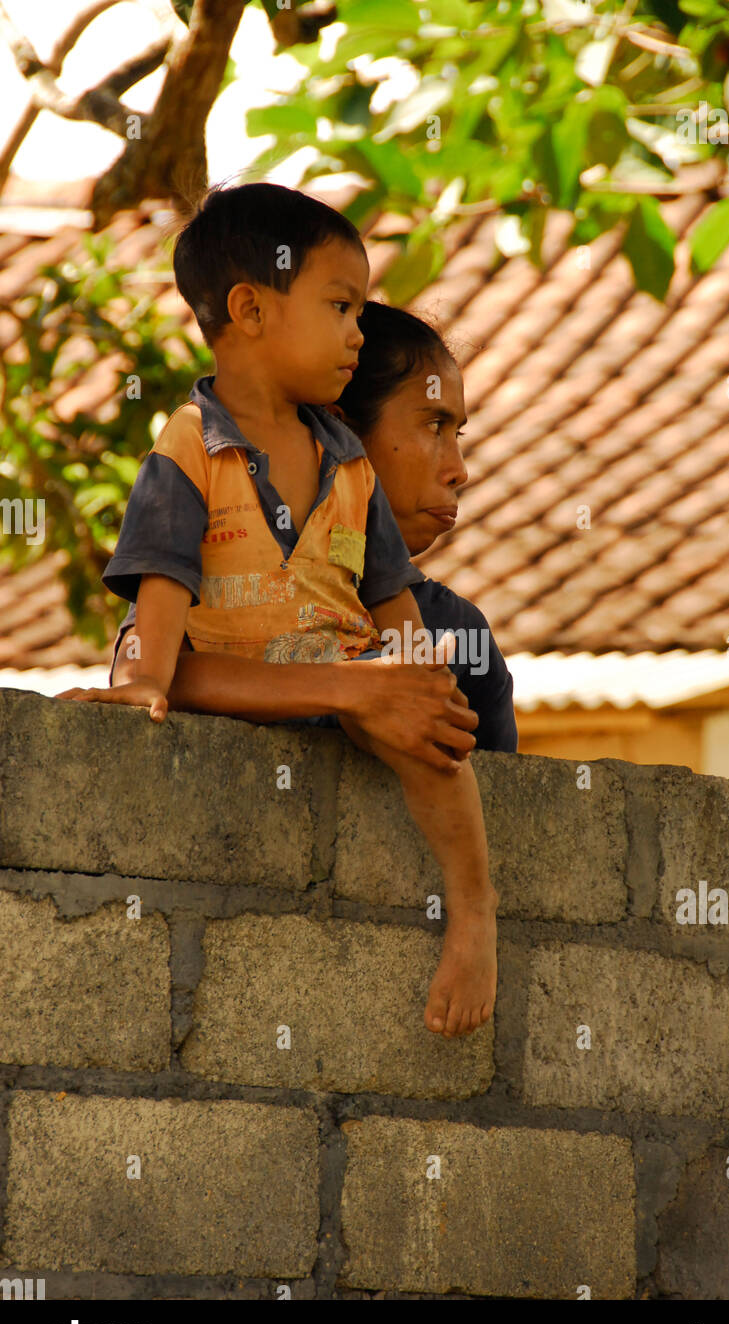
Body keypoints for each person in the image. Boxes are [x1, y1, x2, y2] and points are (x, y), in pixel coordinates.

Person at [57, 181, 496, 1041]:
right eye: (341, 306)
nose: (357, 335)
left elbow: (391, 600)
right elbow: (161, 599)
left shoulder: (350, 464)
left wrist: (416, 684)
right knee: (232, 679)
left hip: (338, 667)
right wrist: (144, 680)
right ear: (251, 310)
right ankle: (360, 697)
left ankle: (475, 914)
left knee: (426, 726)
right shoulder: (190, 444)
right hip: (216, 665)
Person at [109, 300, 518, 752]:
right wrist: (351, 687)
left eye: (455, 433)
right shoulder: (199, 581)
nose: (459, 470)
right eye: (434, 424)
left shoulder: (457, 634)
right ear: (338, 436)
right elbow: (146, 675)